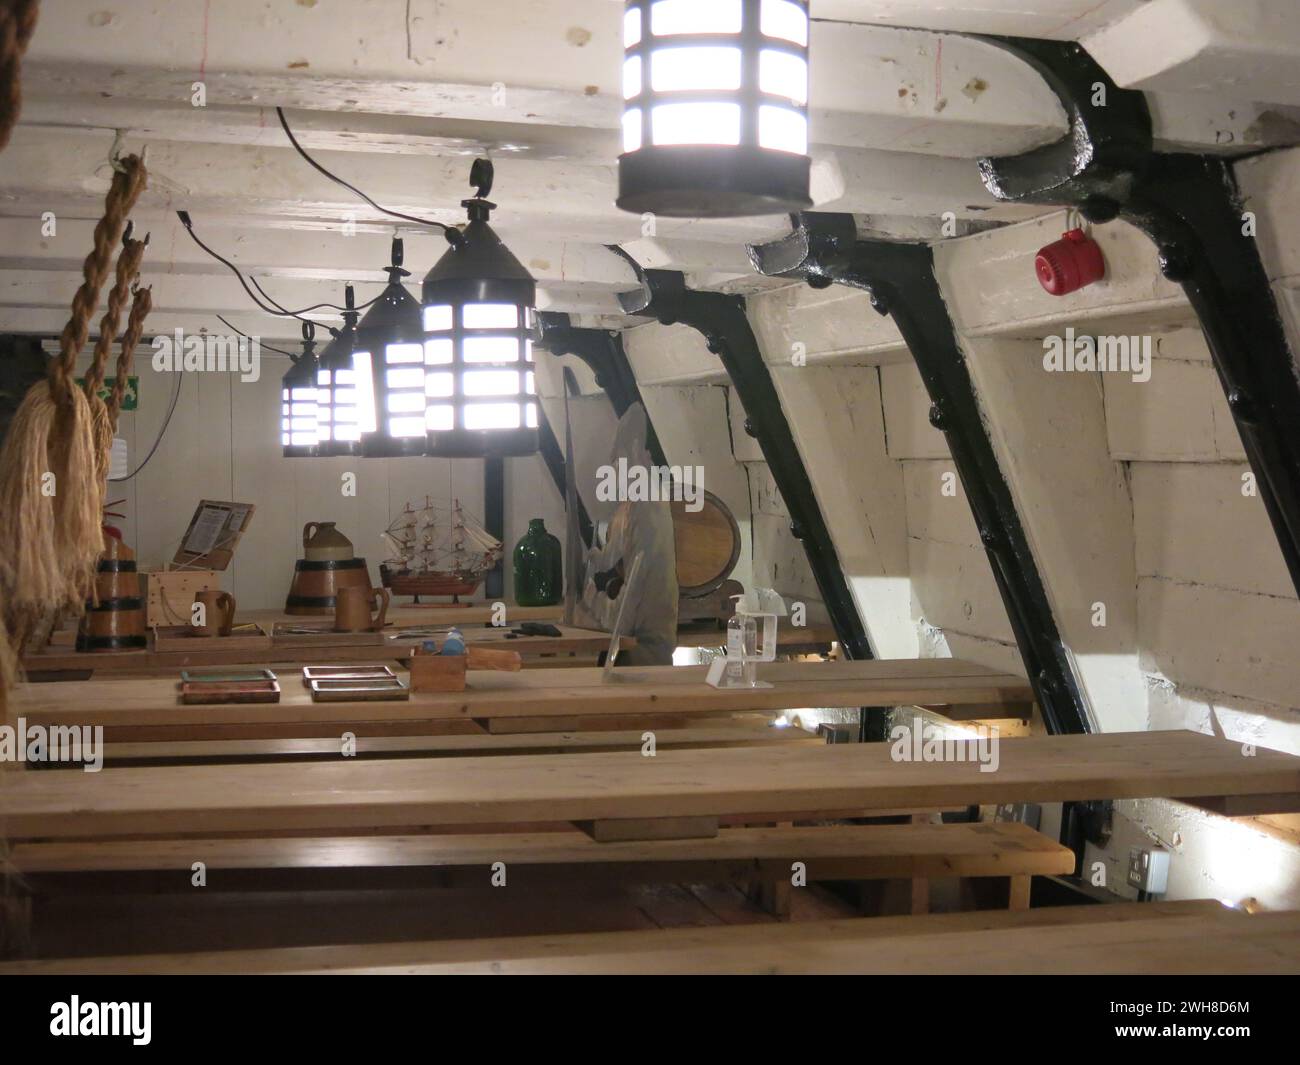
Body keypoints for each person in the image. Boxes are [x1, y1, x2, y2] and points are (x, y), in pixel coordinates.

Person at [576, 404, 678, 665]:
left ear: (637, 455)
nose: (613, 471)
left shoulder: (645, 510)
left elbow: (621, 619)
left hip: (643, 656)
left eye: (618, 461)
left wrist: (590, 595)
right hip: (627, 651)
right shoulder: (635, 504)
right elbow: (613, 554)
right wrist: (596, 558)